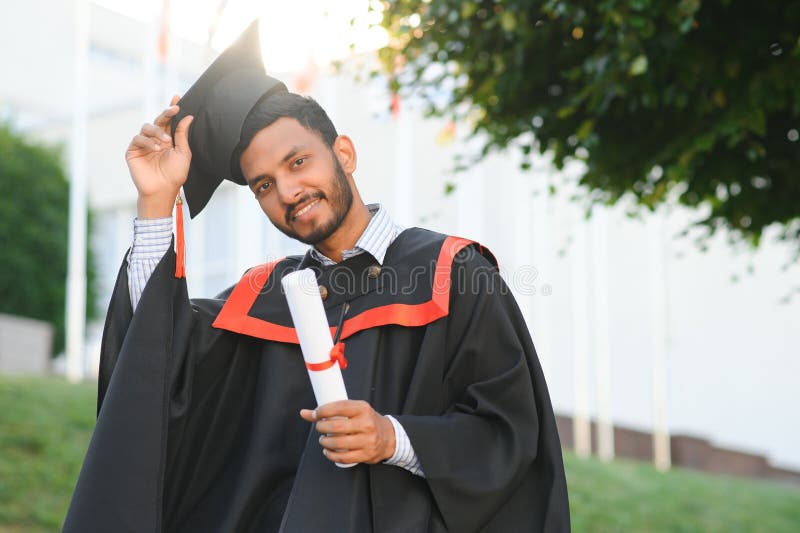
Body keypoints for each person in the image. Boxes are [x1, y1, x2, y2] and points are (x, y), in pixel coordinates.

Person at [63, 23, 569, 533]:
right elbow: (155, 367)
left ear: (343, 154)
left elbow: (510, 434)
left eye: (298, 161)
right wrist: (155, 202)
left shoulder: (452, 273)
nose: (288, 190)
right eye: (264, 185)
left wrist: (392, 438)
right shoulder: (261, 301)